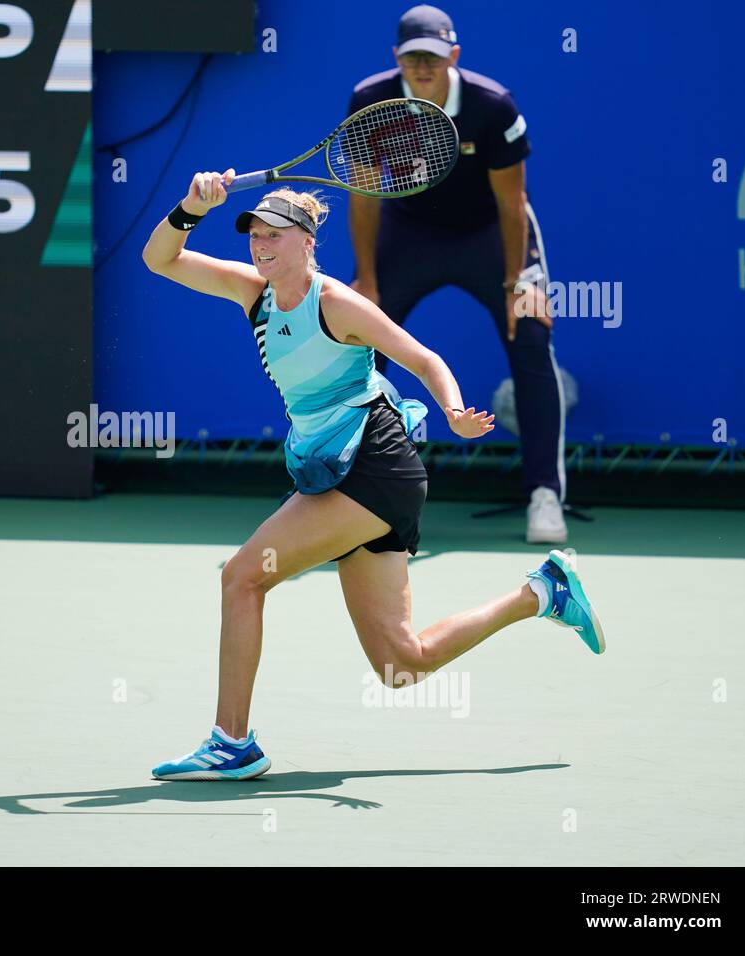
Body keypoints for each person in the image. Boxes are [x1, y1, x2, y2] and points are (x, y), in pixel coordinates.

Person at [140, 169, 604, 781]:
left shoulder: (336, 304)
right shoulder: (250, 291)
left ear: (307, 242)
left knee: (242, 578)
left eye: (276, 234)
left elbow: (422, 357)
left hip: (374, 468)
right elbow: (159, 259)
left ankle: (232, 742)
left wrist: (454, 410)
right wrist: (189, 207)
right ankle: (542, 593)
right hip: (342, 472)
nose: (261, 243)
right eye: (255, 232)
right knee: (401, 663)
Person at [348, 4, 568, 544]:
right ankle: (345, 487)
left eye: (435, 56)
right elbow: (363, 194)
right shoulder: (370, 101)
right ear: (397, 57)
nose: (424, 67)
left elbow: (512, 203)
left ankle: (544, 493)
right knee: (357, 340)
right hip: (409, 230)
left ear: (454, 56)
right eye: (414, 56)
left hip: (490, 234)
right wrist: (367, 280)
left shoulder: (492, 105)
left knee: (530, 336)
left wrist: (519, 283)